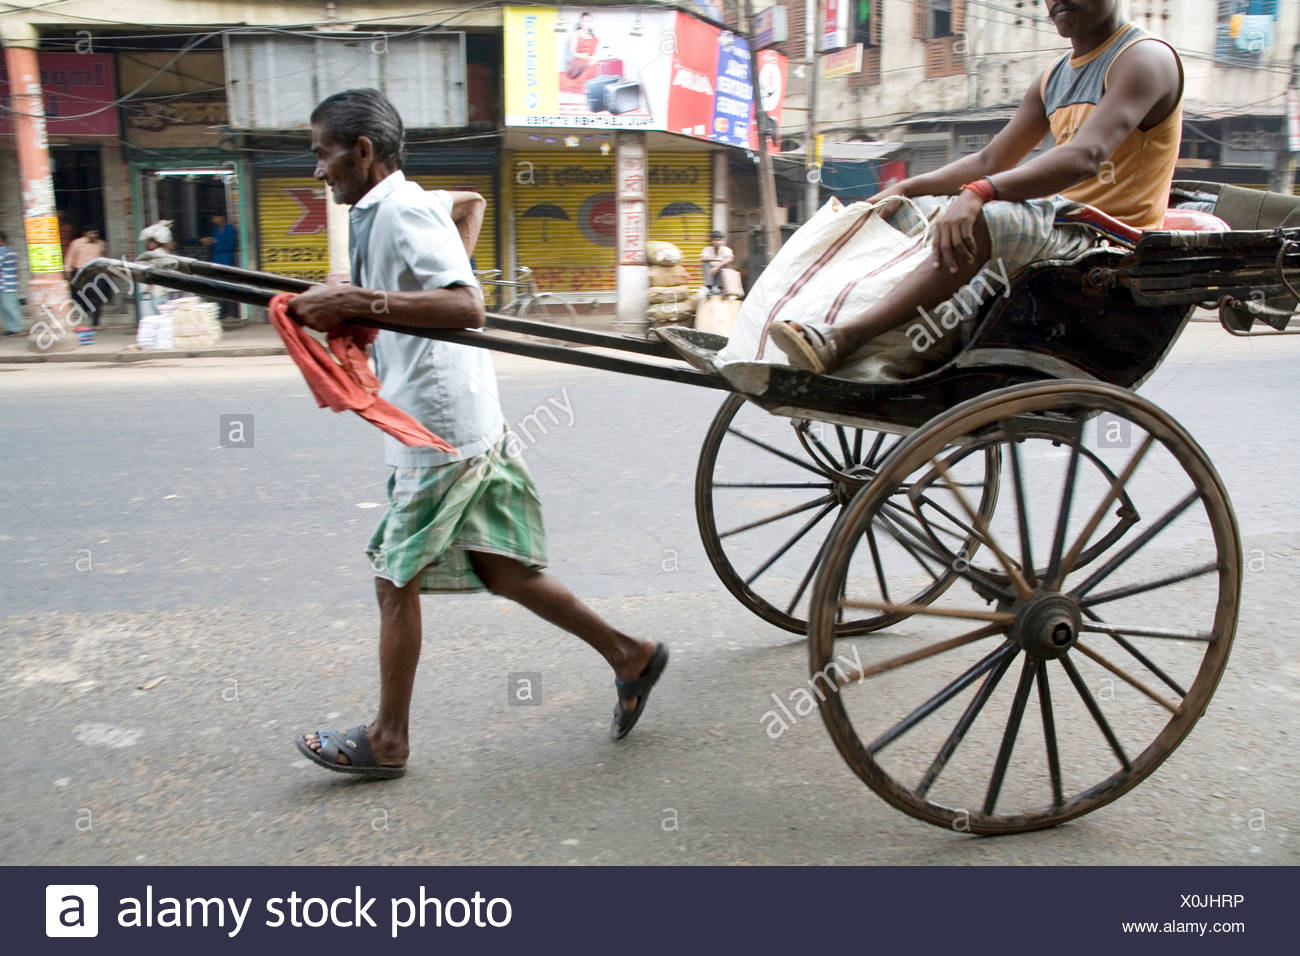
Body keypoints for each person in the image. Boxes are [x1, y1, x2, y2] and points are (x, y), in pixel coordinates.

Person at [287, 88, 667, 778]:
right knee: (504, 569)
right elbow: (471, 207)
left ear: (364, 152)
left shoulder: (401, 211)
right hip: (449, 414)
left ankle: (389, 739)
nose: (318, 171)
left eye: (323, 155)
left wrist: (356, 301)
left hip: (439, 427)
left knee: (391, 577)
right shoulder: (393, 206)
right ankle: (628, 653)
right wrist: (361, 296)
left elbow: (467, 305)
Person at [770, 0, 1184, 374]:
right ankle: (873, 343)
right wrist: (907, 189)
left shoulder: (1143, 59)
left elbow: (1085, 155)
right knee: (919, 214)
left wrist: (979, 192)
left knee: (979, 218)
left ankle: (847, 338)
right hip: (1062, 226)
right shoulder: (1052, 79)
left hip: (1109, 242)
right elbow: (989, 160)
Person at [65, 227, 108, 326]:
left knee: (96, 296)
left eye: (95, 233)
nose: (94, 235)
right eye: (91, 233)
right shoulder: (76, 243)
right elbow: (70, 257)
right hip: (80, 272)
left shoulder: (101, 244)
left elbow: (104, 257)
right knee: (79, 294)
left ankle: (95, 322)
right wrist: (67, 271)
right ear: (86, 233)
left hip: (95, 272)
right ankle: (85, 308)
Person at [200, 213, 239, 317]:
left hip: (227, 258)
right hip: (218, 259)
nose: (214, 220)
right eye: (213, 218)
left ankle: (232, 312)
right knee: (220, 287)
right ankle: (223, 311)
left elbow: (231, 244)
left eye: (215, 217)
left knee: (229, 285)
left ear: (222, 217)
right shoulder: (216, 230)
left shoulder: (230, 229)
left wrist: (215, 241)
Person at [699, 230, 734, 295]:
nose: (717, 242)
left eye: (719, 240)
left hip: (721, 273)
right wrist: (716, 262)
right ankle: (709, 287)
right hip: (711, 273)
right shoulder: (707, 249)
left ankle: (719, 287)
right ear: (712, 241)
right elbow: (703, 258)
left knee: (725, 263)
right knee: (705, 264)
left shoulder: (726, 249)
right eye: (715, 240)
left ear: (723, 241)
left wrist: (717, 266)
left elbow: (729, 258)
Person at [0, 232, 22, 335]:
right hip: (11, 283)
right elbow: (17, 269)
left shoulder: (1, 251)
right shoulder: (12, 252)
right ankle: (13, 327)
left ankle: (14, 328)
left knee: (7, 307)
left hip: (4, 284)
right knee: (11, 306)